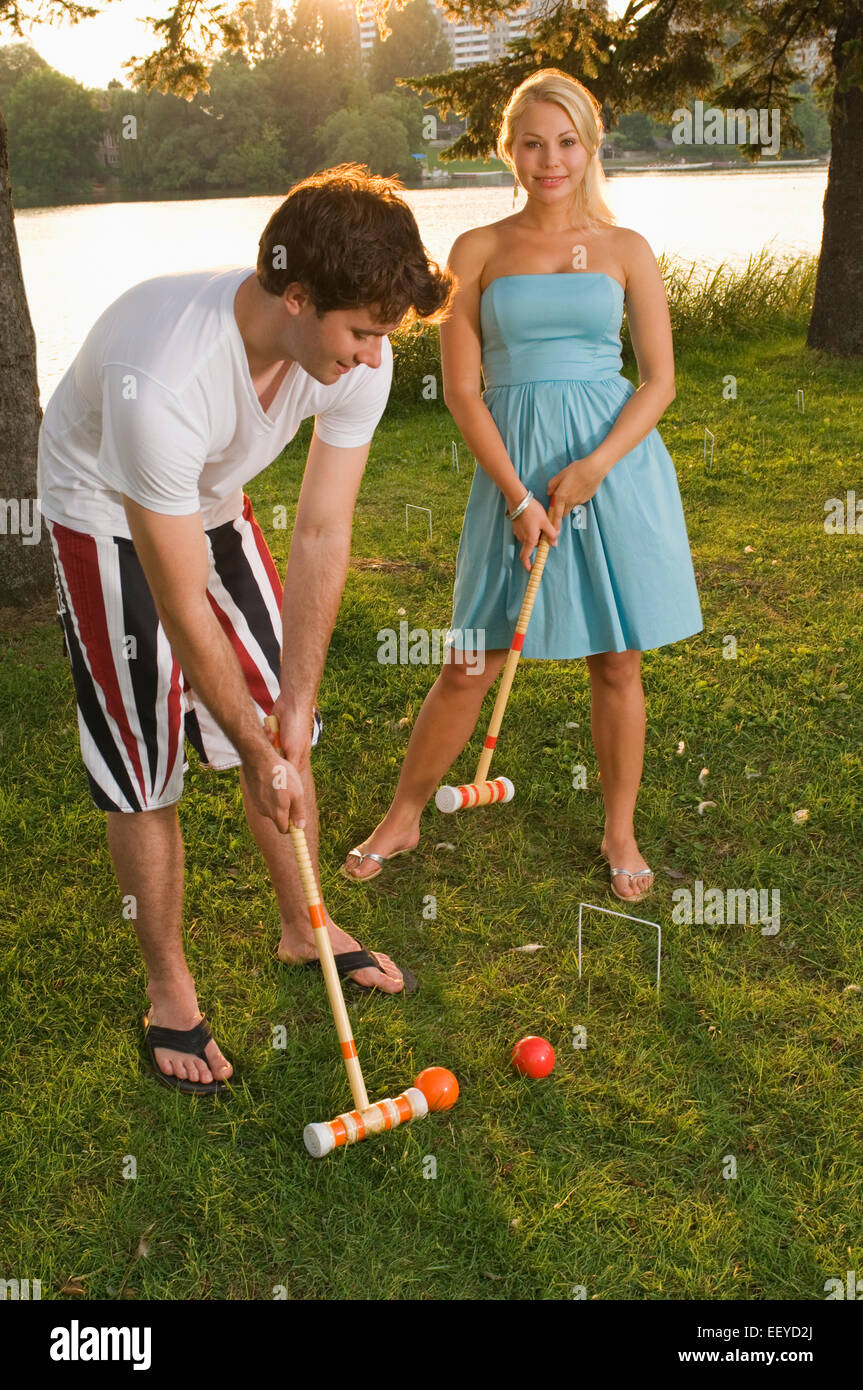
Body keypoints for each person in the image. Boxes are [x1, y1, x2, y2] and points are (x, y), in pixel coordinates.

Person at [37, 164, 453, 1094]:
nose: (374, 357)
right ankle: (169, 989)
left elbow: (320, 527)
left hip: (212, 501)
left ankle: (305, 924)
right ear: (295, 297)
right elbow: (180, 602)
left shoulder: (355, 356)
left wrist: (288, 713)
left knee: (281, 726)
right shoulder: (165, 372)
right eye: (359, 333)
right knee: (145, 762)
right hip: (103, 507)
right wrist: (247, 742)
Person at [342, 71, 703, 903]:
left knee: (617, 661)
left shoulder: (626, 251)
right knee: (471, 658)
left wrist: (593, 466)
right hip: (513, 474)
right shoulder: (476, 250)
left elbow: (658, 381)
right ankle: (402, 815)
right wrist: (517, 494)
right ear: (508, 149)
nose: (550, 160)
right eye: (532, 142)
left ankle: (619, 831)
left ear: (590, 146)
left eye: (566, 141)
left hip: (609, 468)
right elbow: (464, 391)